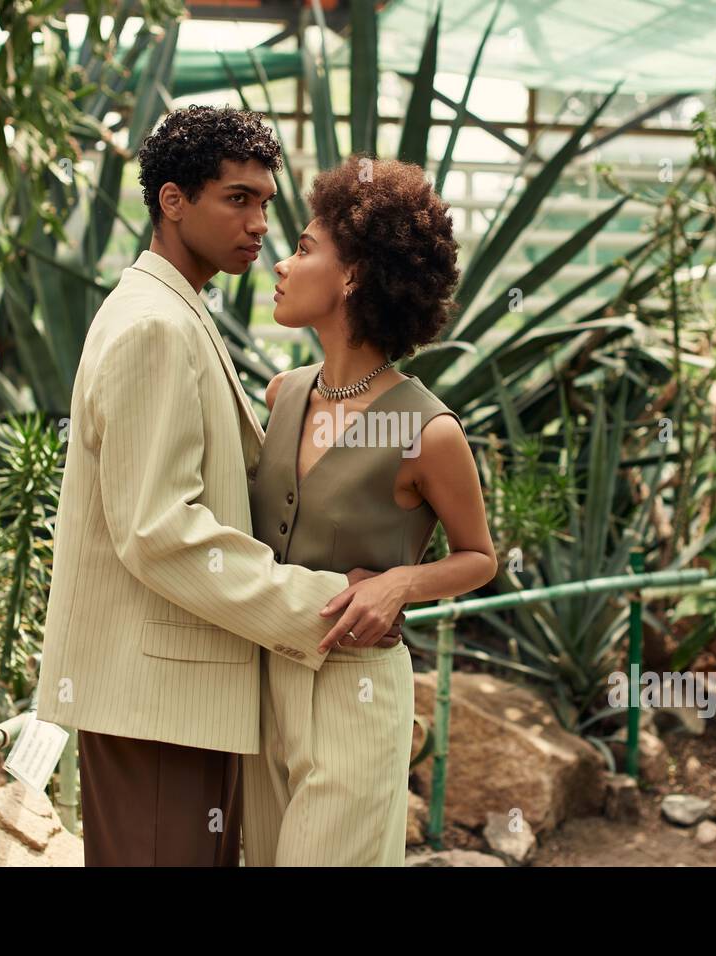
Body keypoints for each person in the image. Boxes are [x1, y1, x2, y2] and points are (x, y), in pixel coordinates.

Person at [35, 107, 403, 867]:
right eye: (238, 199)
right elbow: (158, 529)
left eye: (266, 203)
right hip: (158, 705)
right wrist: (323, 605)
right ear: (173, 201)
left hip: (180, 700)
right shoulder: (155, 328)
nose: (260, 223)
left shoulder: (176, 312)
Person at [242, 156, 499, 866]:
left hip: (356, 693)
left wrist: (398, 584)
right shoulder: (281, 394)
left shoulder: (428, 430)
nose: (281, 265)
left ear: (352, 273)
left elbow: (479, 557)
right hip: (263, 686)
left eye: (302, 249)